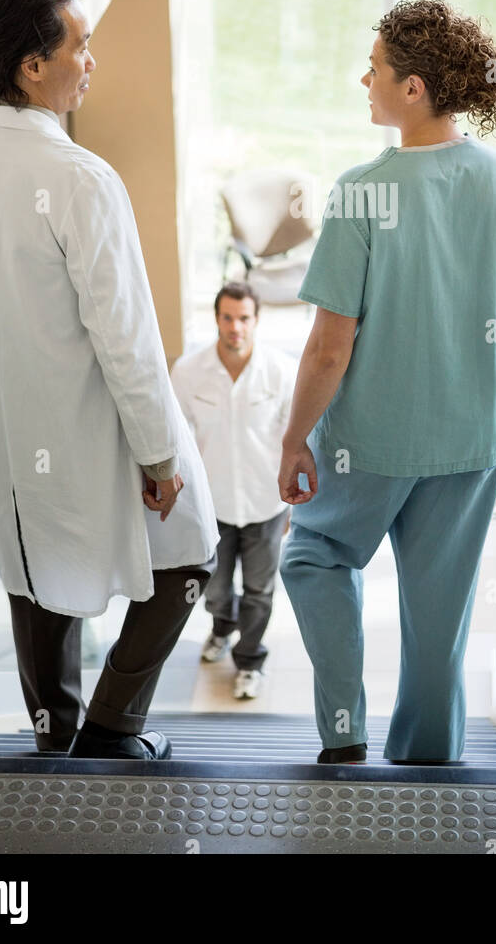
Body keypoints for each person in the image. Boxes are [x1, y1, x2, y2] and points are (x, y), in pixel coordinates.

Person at [0, 0, 219, 761]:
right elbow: (128, 339)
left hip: (7, 428)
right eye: (81, 46)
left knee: (35, 573)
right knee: (191, 552)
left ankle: (56, 740)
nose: (91, 62)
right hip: (90, 424)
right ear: (32, 66)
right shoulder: (81, 179)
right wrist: (158, 453)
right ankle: (111, 728)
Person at [276, 0, 496, 766]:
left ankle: (343, 734)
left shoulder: (361, 190)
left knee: (313, 556)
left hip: (368, 443)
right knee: (439, 620)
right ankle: (430, 761)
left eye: (375, 68)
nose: (361, 76)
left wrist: (295, 438)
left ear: (414, 90)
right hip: (470, 440)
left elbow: (330, 348)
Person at [171, 282, 296, 700]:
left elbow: (295, 439)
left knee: (260, 590)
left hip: (267, 504)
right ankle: (222, 629)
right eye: (228, 317)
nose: (236, 327)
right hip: (213, 507)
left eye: (244, 318)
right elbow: (177, 439)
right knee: (217, 588)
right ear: (216, 319)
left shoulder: (281, 372)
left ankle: (249, 660)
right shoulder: (188, 373)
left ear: (256, 320)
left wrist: (293, 503)